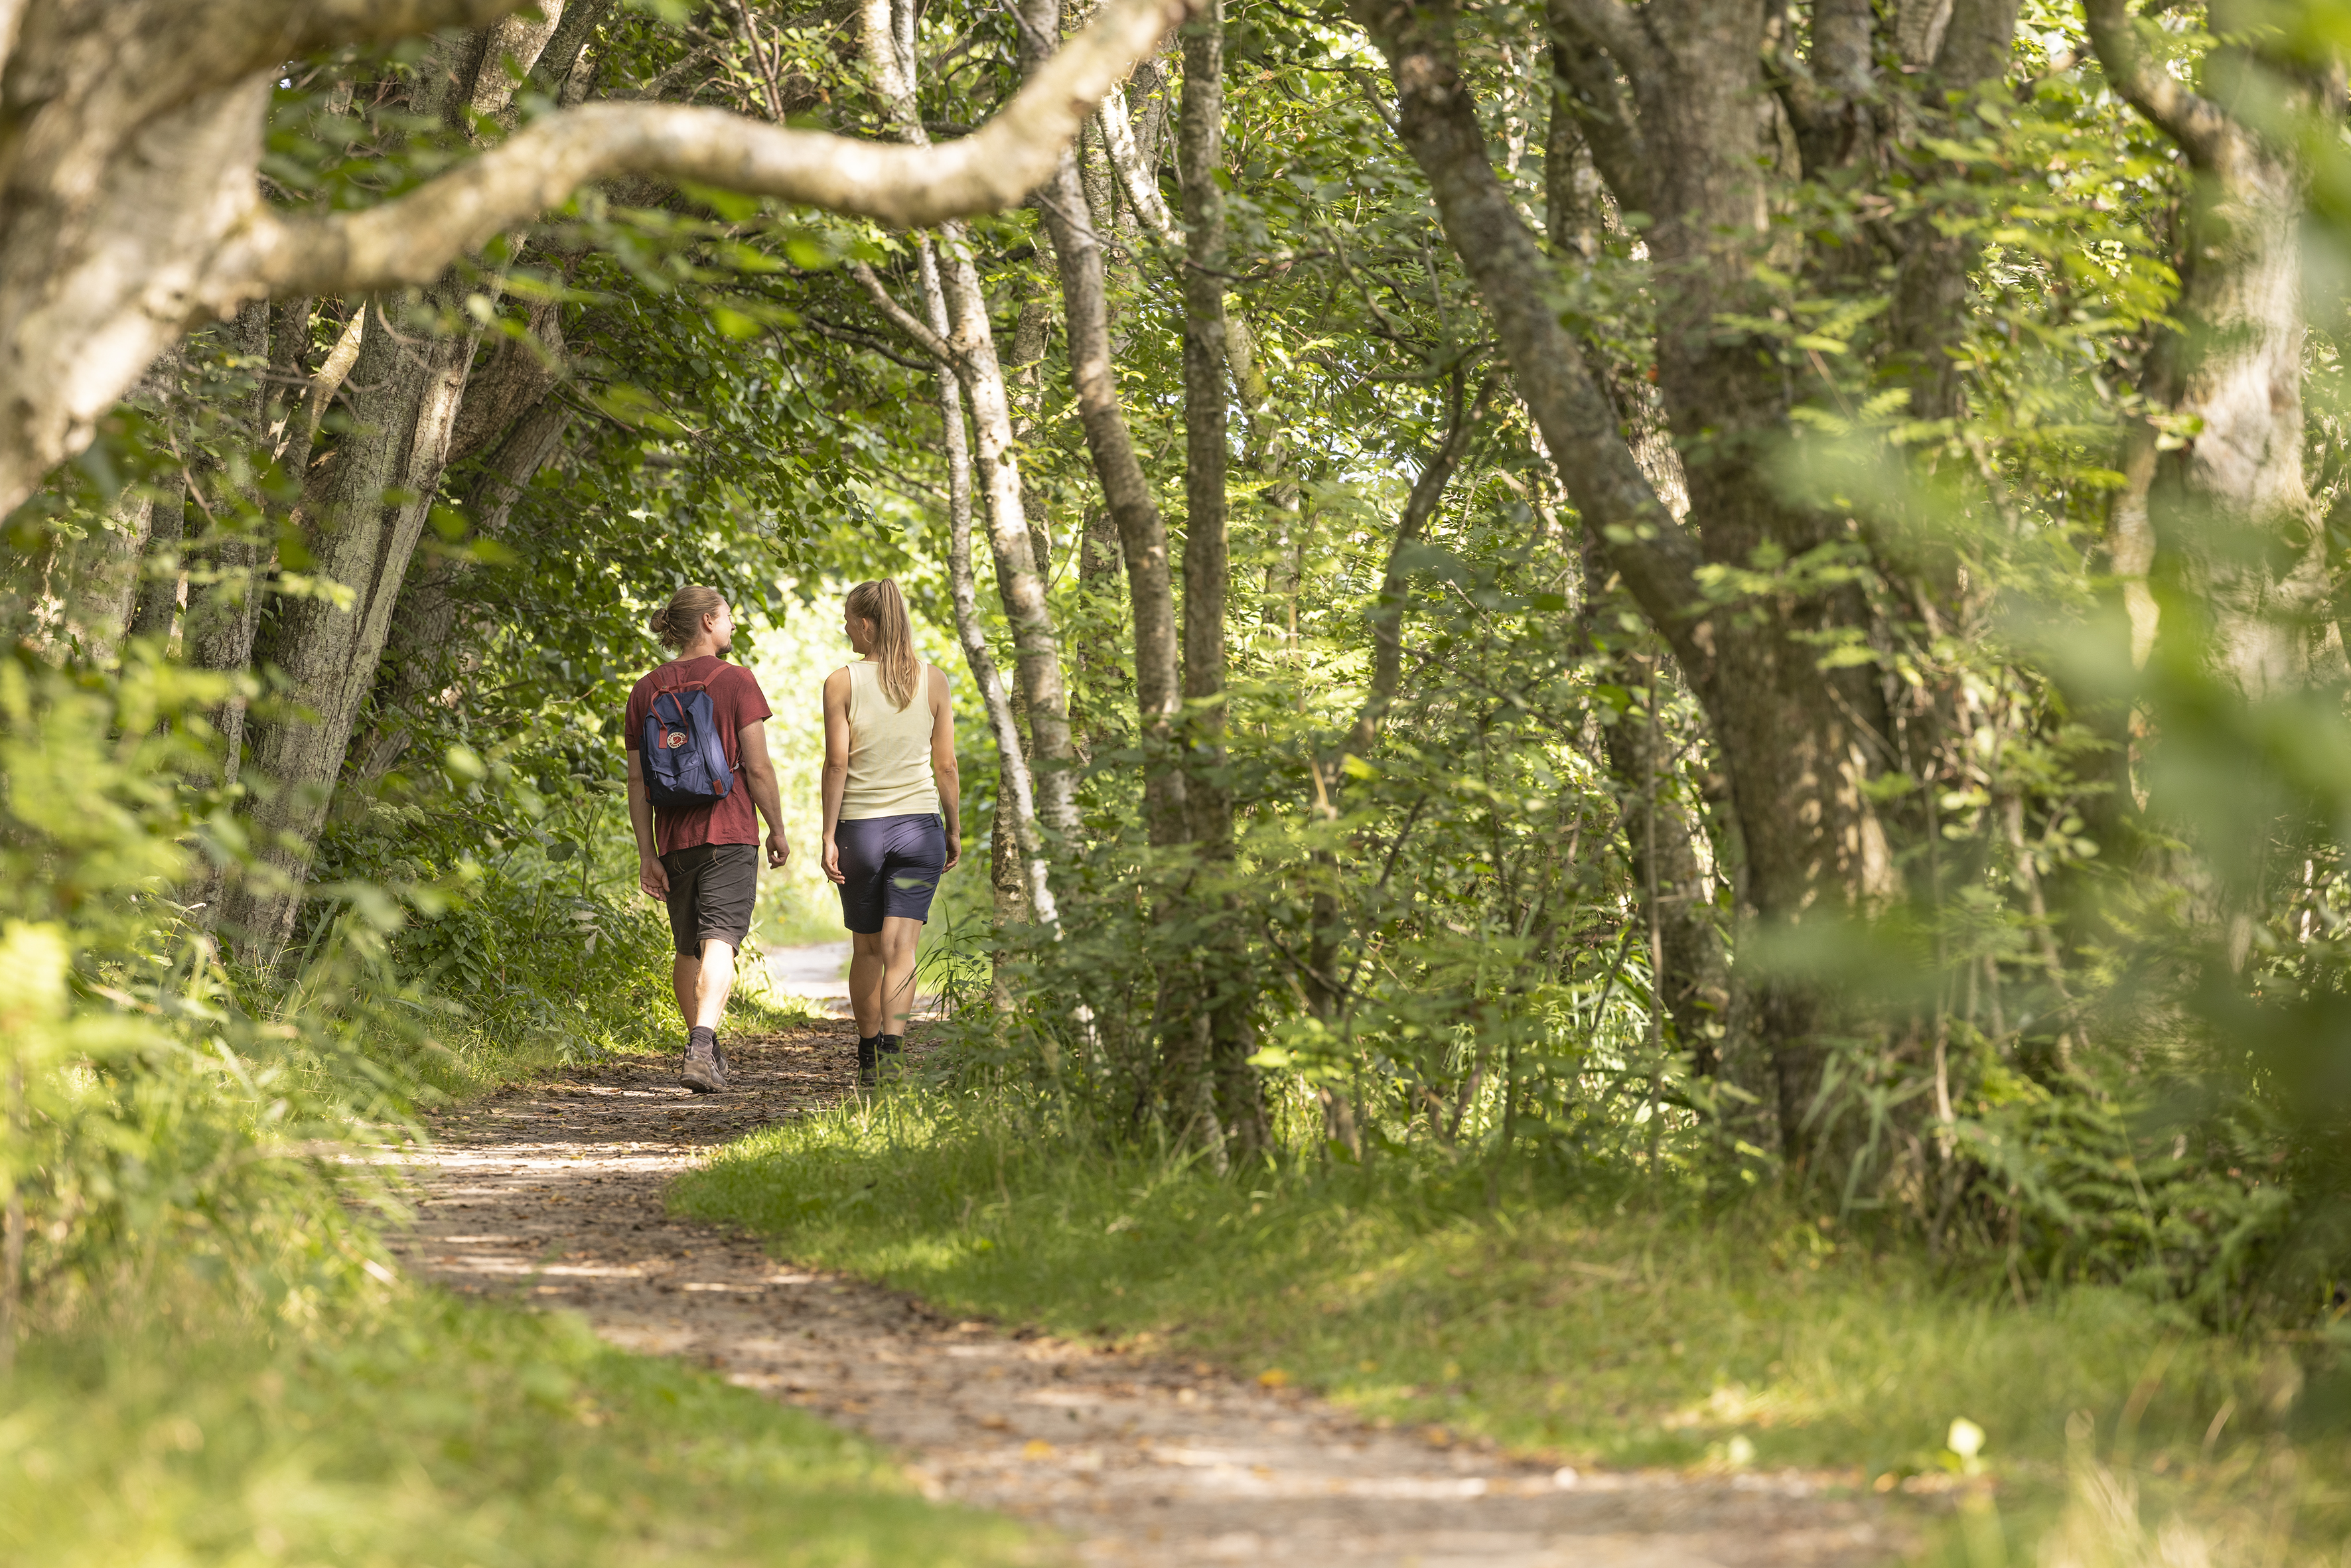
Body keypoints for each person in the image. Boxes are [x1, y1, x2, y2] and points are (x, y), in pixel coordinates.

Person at [624, 585, 790, 1093]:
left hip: (674, 836)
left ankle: (703, 1046)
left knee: (687, 947)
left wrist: (646, 852)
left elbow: (638, 781)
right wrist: (777, 826)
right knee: (720, 939)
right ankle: (701, 1045)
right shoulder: (736, 681)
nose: (733, 626)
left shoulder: (646, 688)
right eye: (729, 617)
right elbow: (757, 766)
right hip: (730, 829)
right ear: (709, 622)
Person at [821, 579, 961, 1086]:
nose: (844, 627)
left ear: (865, 623)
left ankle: (867, 1057)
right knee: (902, 949)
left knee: (867, 950)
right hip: (918, 829)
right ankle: (894, 1055)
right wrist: (953, 828)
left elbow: (838, 762)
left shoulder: (841, 682)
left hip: (861, 831)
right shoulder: (934, 680)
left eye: (846, 619)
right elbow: (945, 766)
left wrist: (827, 835)